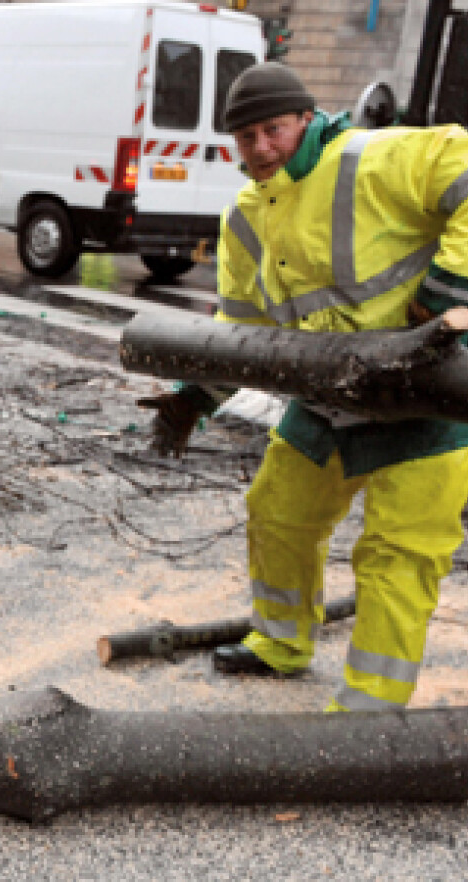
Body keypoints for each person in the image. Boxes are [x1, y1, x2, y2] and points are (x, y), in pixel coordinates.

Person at [138, 62, 468, 711]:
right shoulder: (244, 220)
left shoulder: (371, 158)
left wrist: (450, 288)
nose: (261, 147)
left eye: (274, 129)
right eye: (246, 137)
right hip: (329, 402)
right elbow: (243, 330)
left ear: (306, 120)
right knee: (278, 512)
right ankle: (281, 644)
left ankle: (372, 707)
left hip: (422, 405)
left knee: (399, 557)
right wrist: (194, 396)